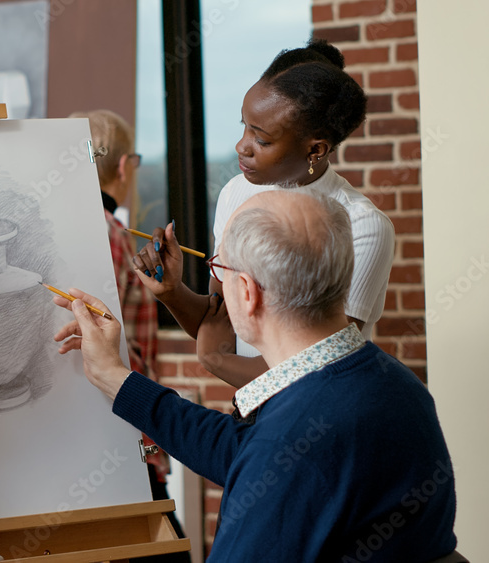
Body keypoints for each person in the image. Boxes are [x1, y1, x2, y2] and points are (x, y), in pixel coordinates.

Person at [50, 190, 458, 560]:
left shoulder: (295, 444)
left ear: (247, 292)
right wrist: (116, 378)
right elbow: (243, 450)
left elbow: (272, 459)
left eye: (218, 266)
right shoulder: (394, 385)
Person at [137, 39, 395, 389]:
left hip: (322, 416)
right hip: (254, 412)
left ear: (315, 149)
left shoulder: (362, 225)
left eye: (261, 139)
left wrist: (216, 361)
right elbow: (222, 325)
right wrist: (171, 291)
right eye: (244, 126)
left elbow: (318, 365)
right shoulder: (235, 194)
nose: (241, 146)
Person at [70, 110, 187, 562]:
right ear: (123, 167)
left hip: (62, 451)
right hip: (123, 444)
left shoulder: (43, 233)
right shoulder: (114, 236)